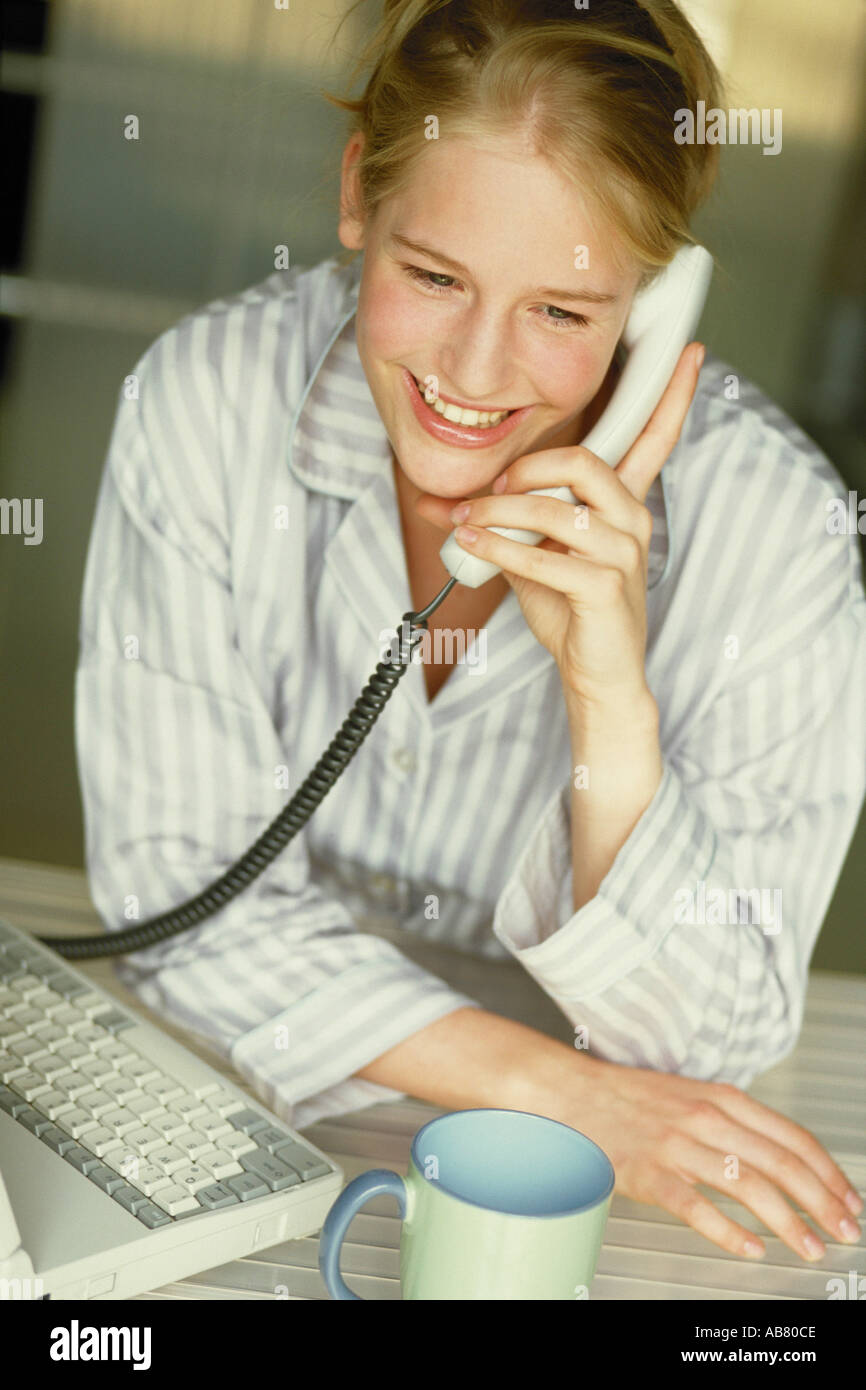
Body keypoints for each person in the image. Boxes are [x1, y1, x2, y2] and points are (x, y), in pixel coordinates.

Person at [76, 0, 866, 1268]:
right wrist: (571, 1095)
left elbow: (714, 1042)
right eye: (432, 276)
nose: (474, 373)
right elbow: (179, 898)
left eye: (562, 311)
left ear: (655, 294)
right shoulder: (202, 400)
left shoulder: (779, 528)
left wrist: (607, 691)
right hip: (285, 1116)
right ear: (357, 197)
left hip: (576, 1208)